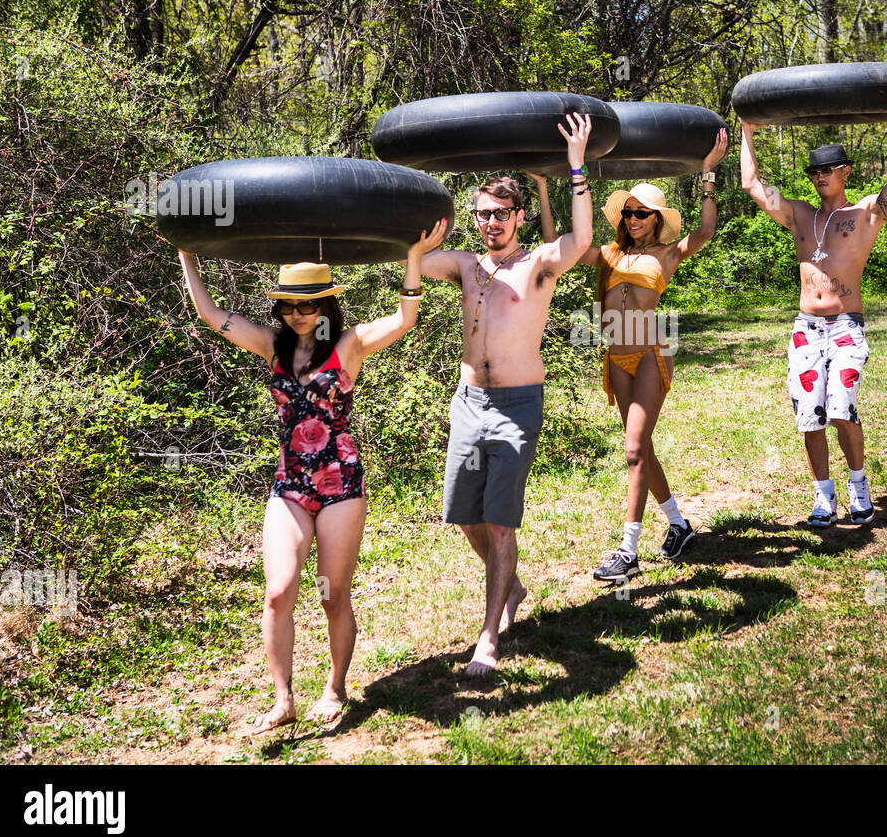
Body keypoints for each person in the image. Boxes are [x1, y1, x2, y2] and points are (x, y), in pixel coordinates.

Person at [176, 218, 447, 732]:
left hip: (341, 479)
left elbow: (405, 318)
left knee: (331, 594)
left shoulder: (349, 345)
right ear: (279, 307)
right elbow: (212, 314)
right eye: (290, 304)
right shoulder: (272, 346)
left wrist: (413, 254)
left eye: (310, 303)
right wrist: (187, 253)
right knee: (278, 590)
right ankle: (282, 699)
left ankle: (335, 686)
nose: (299, 313)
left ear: (326, 305)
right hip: (290, 481)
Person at [421, 113, 594, 676]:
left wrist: (574, 165)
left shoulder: (538, 266)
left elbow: (582, 237)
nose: (490, 222)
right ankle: (511, 585)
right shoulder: (468, 266)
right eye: (482, 214)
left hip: (517, 406)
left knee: (499, 524)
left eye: (500, 214)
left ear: (519, 217)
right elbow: (415, 262)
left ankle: (489, 636)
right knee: (465, 517)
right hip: (468, 403)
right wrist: (410, 216)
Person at [534, 130, 728, 582]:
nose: (635, 217)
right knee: (642, 450)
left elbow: (706, 231)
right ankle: (679, 525)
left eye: (643, 213)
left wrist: (708, 176)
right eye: (630, 212)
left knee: (634, 449)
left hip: (649, 353)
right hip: (614, 356)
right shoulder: (606, 253)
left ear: (657, 218)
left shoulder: (667, 253)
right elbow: (552, 243)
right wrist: (544, 186)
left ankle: (628, 549)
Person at [739, 88, 887, 526]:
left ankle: (858, 485)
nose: (819, 176)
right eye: (813, 171)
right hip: (806, 327)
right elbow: (752, 185)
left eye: (827, 170)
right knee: (810, 417)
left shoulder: (864, 214)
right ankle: (824, 496)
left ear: (845, 171)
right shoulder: (801, 215)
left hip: (845, 325)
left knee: (841, 409)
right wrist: (747, 131)